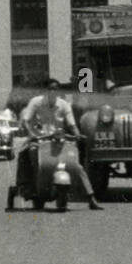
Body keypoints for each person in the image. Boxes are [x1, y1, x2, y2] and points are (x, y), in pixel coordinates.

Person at [13, 78, 103, 211]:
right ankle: (32, 188)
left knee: (77, 166)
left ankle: (91, 198)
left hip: (60, 140)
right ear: (45, 90)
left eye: (56, 89)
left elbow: (71, 124)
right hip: (39, 140)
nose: (53, 91)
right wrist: (32, 134)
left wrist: (77, 134)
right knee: (31, 154)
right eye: (51, 89)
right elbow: (26, 121)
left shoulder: (64, 105)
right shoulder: (35, 102)